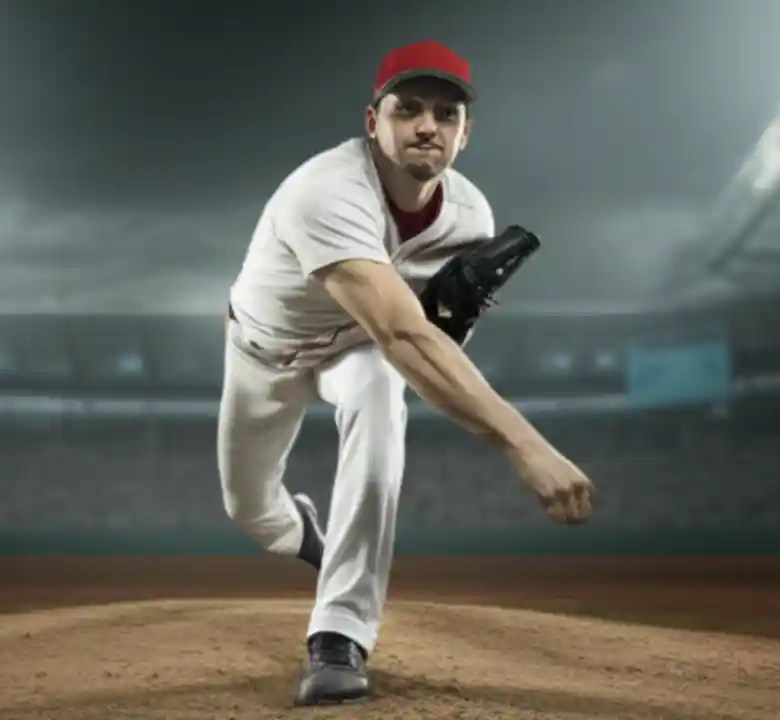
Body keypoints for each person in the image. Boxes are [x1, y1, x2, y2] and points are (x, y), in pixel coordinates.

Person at [217, 40, 596, 706]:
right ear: (374, 122)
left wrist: (455, 323)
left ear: (465, 134)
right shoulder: (324, 190)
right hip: (263, 354)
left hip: (357, 349)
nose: (429, 125)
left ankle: (339, 635)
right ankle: (304, 532)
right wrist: (527, 445)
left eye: (446, 114)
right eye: (410, 109)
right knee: (249, 510)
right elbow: (403, 330)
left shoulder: (469, 217)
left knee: (380, 389)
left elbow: (424, 345)